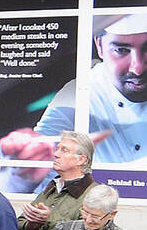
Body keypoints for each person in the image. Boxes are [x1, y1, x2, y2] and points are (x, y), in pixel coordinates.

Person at [26, 14, 147, 164]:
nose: (138, 68)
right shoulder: (80, 92)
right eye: (121, 50)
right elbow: (41, 156)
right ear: (99, 46)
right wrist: (21, 175)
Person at [16, 131, 96, 230]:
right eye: (57, 149)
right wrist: (31, 225)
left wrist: (49, 219)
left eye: (64, 150)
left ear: (81, 159)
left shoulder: (94, 194)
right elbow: (19, 227)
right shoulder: (51, 188)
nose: (56, 154)